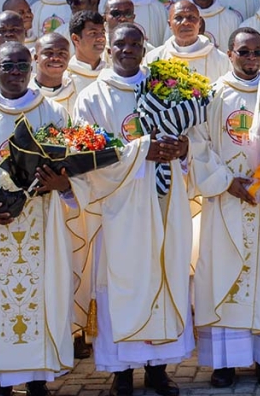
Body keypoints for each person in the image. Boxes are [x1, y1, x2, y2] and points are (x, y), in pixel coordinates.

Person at [72, 24, 193, 396]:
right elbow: (87, 156)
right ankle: (121, 373)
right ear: (109, 49)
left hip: (165, 200)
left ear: (145, 48)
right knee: (121, 286)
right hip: (120, 208)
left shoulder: (166, 90)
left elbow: (194, 139)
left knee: (164, 277)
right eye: (120, 44)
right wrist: (143, 151)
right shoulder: (93, 97)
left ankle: (158, 369)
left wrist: (183, 149)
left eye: (135, 43)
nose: (127, 49)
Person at [0, 43, 75, 395]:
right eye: (7, 65)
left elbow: (75, 165)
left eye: (23, 65)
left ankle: (38, 382)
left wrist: (63, 183)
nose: (16, 72)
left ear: (32, 67)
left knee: (43, 298)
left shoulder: (54, 114)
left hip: (42, 224)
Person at [189, 28, 260, 388]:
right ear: (230, 54)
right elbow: (198, 145)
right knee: (224, 273)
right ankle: (225, 362)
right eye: (244, 52)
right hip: (225, 200)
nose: (251, 59)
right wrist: (226, 182)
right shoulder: (212, 95)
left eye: (257, 53)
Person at [146, 0, 231, 81]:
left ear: (200, 23)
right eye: (178, 18)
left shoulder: (221, 60)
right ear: (170, 24)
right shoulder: (154, 58)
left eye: (191, 17)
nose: (185, 22)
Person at [30, 32, 77, 113]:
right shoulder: (23, 94)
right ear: (36, 58)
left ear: (69, 57)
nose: (56, 58)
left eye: (62, 53)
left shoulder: (76, 93)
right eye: (48, 53)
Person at [67, 10, 107, 95]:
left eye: (102, 32)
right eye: (93, 33)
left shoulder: (111, 73)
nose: (101, 38)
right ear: (76, 39)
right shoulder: (64, 80)